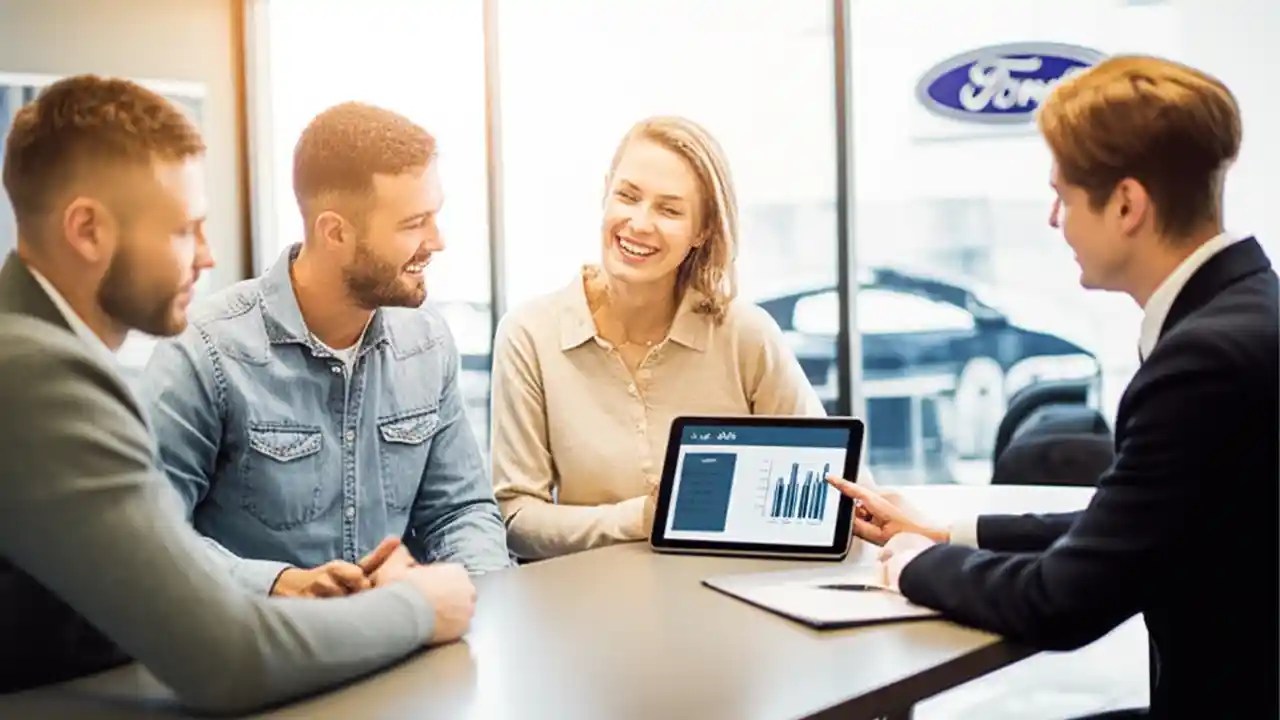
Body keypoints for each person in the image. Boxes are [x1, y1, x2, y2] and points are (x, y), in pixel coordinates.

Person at [0, 75, 477, 713]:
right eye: (183, 230)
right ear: (86, 230)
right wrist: (417, 606)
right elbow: (229, 658)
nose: (207, 255)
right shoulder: (40, 381)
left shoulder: (38, 356)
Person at [827, 55, 1278, 719]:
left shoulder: (1201, 362)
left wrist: (914, 562)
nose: (1052, 219)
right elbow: (1137, 522)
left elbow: (1062, 600)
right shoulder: (1252, 310)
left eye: (1063, 197)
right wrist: (950, 531)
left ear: (1126, 204)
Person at [141, 102, 512, 599]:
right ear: (335, 232)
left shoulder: (427, 342)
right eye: (414, 223)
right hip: (260, 648)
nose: (437, 241)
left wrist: (486, 600)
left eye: (435, 217)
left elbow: (460, 511)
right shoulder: (206, 350)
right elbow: (152, 536)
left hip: (399, 640)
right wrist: (275, 584)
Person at [490, 116, 829, 560]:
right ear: (605, 193)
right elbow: (517, 519)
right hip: (587, 606)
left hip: (731, 597)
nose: (639, 223)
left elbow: (831, 484)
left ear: (702, 230)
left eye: (669, 210)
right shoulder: (529, 334)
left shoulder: (745, 334)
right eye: (627, 196)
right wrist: (643, 519)